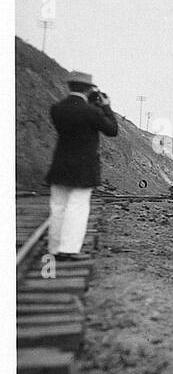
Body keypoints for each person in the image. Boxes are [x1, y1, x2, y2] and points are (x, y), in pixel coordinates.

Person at [45, 71, 118, 261]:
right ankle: (69, 249)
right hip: (83, 168)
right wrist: (106, 108)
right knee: (77, 207)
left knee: (58, 207)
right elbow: (112, 130)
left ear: (70, 86)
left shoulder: (57, 109)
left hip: (60, 165)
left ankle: (54, 248)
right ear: (88, 89)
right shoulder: (91, 112)